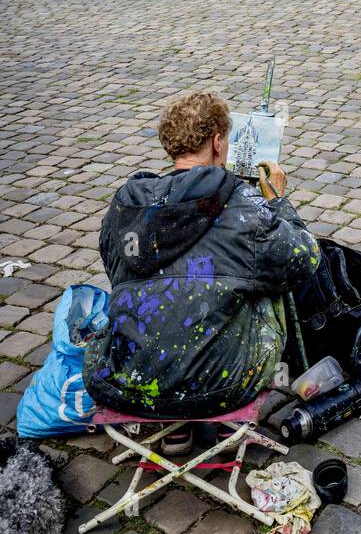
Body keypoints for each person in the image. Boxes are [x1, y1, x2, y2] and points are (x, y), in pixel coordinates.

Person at [83, 91, 320, 455]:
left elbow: (114, 270)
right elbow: (304, 260)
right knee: (268, 277)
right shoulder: (243, 207)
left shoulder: (125, 204)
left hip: (126, 380)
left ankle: (174, 433)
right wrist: (277, 203)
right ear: (218, 142)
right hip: (222, 385)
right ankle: (227, 426)